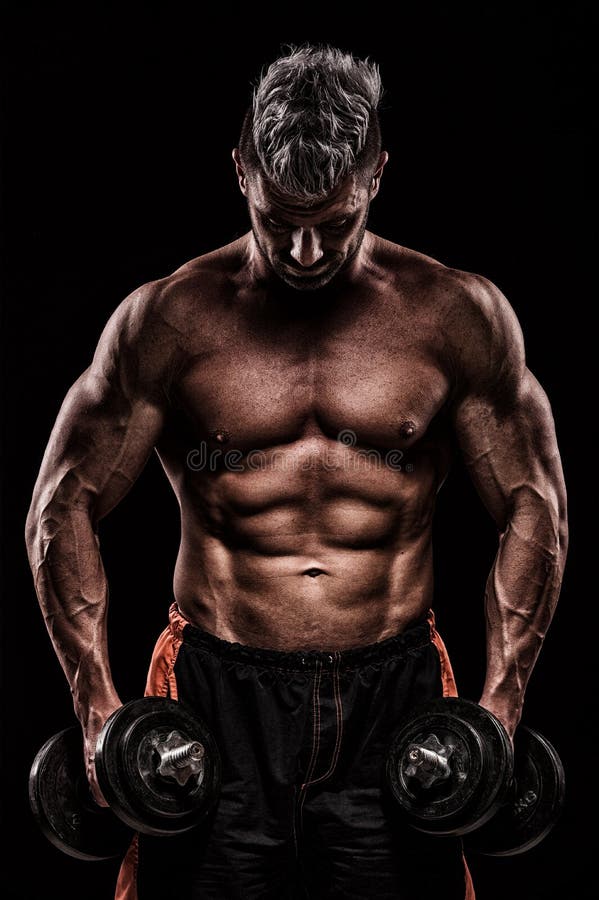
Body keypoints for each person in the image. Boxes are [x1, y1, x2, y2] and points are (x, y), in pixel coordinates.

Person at [25, 45, 568, 900]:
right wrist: (96, 702)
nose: (306, 250)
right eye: (279, 221)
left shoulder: (454, 316)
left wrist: (501, 700)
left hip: (393, 698)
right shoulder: (167, 320)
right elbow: (65, 503)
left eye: (333, 220)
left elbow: (534, 501)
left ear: (376, 175)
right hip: (213, 695)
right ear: (241, 169)